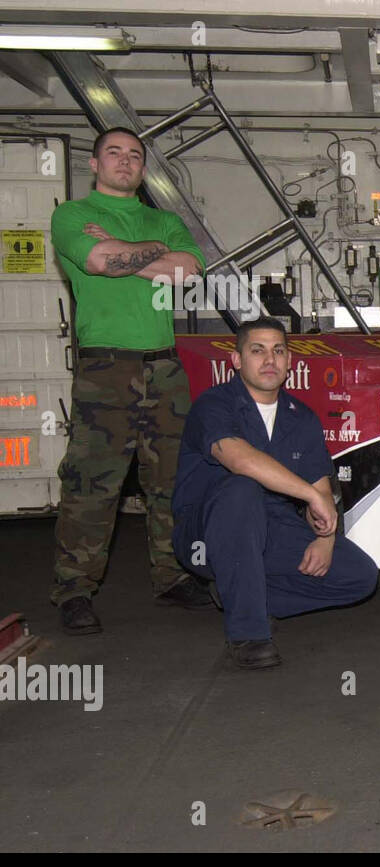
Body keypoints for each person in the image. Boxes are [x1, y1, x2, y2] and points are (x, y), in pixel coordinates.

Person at [49, 126, 212, 634]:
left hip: (164, 365)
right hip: (107, 366)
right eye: (114, 154)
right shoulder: (72, 215)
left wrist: (125, 250)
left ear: (144, 168)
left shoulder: (164, 219)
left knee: (169, 481)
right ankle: (74, 589)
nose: (125, 161)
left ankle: (173, 575)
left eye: (134, 155)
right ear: (95, 165)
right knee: (92, 482)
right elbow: (98, 260)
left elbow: (188, 271)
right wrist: (147, 255)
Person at [172, 317, 378, 669]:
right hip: (207, 533)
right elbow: (240, 459)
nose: (270, 360)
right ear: (237, 361)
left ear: (289, 360)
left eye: (278, 351)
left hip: (272, 527)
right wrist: (310, 496)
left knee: (359, 576)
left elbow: (320, 486)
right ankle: (249, 634)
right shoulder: (214, 405)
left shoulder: (301, 417)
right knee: (241, 489)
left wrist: (325, 538)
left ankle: (236, 592)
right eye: (258, 350)